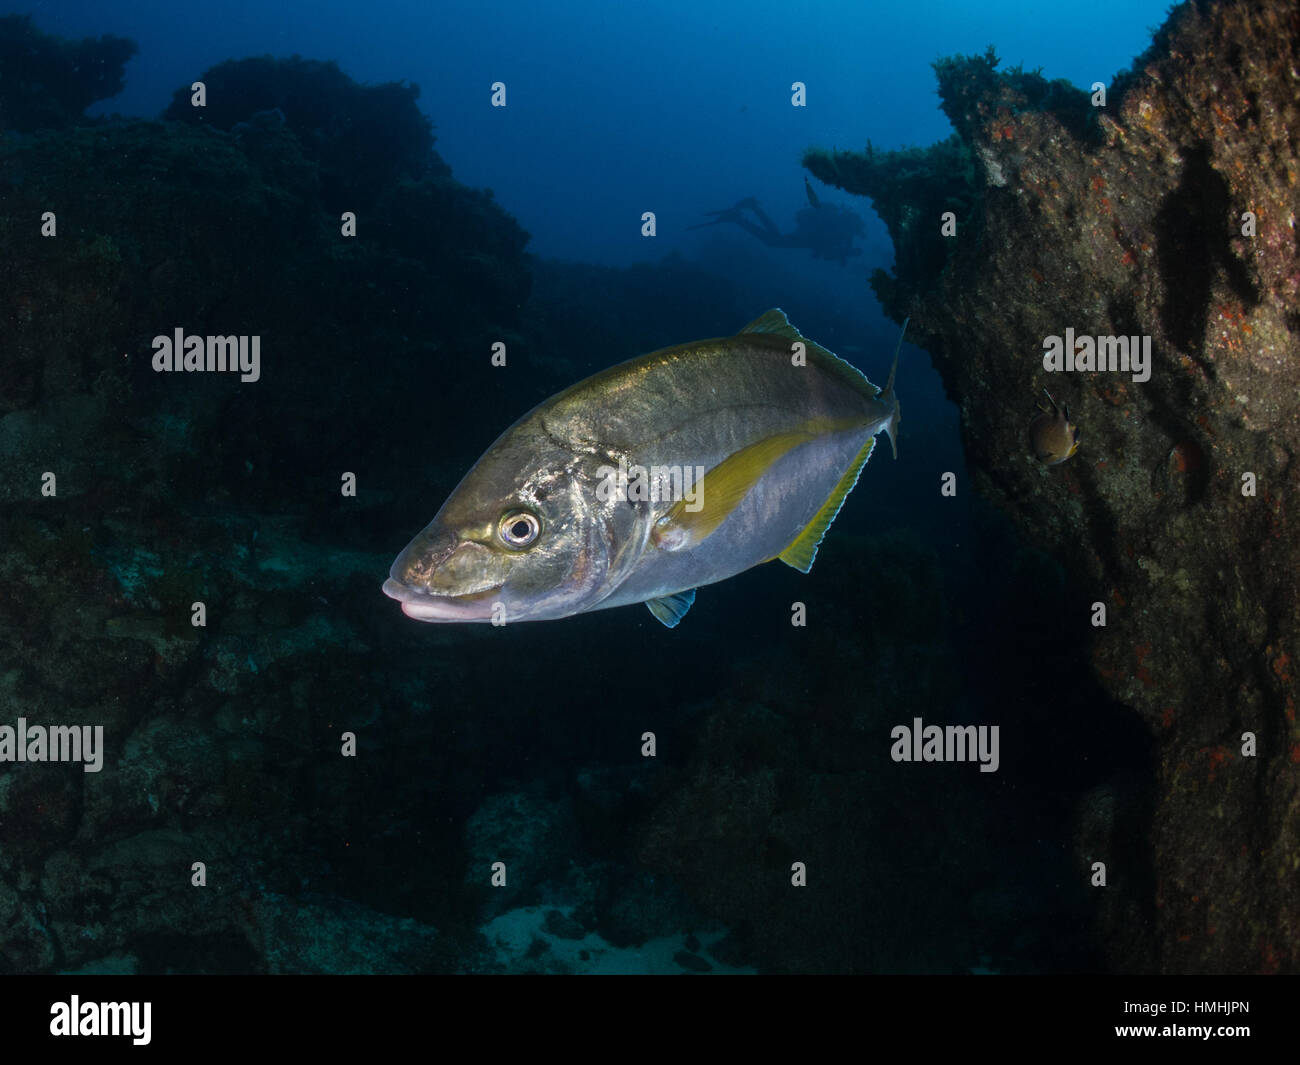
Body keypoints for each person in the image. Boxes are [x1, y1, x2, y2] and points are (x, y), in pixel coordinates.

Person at [689, 177, 865, 265]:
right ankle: (746, 213)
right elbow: (828, 252)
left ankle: (746, 213)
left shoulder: (843, 233)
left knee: (775, 240)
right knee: (774, 241)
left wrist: (845, 254)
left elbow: (828, 251)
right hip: (810, 235)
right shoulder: (843, 233)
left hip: (810, 235)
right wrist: (846, 254)